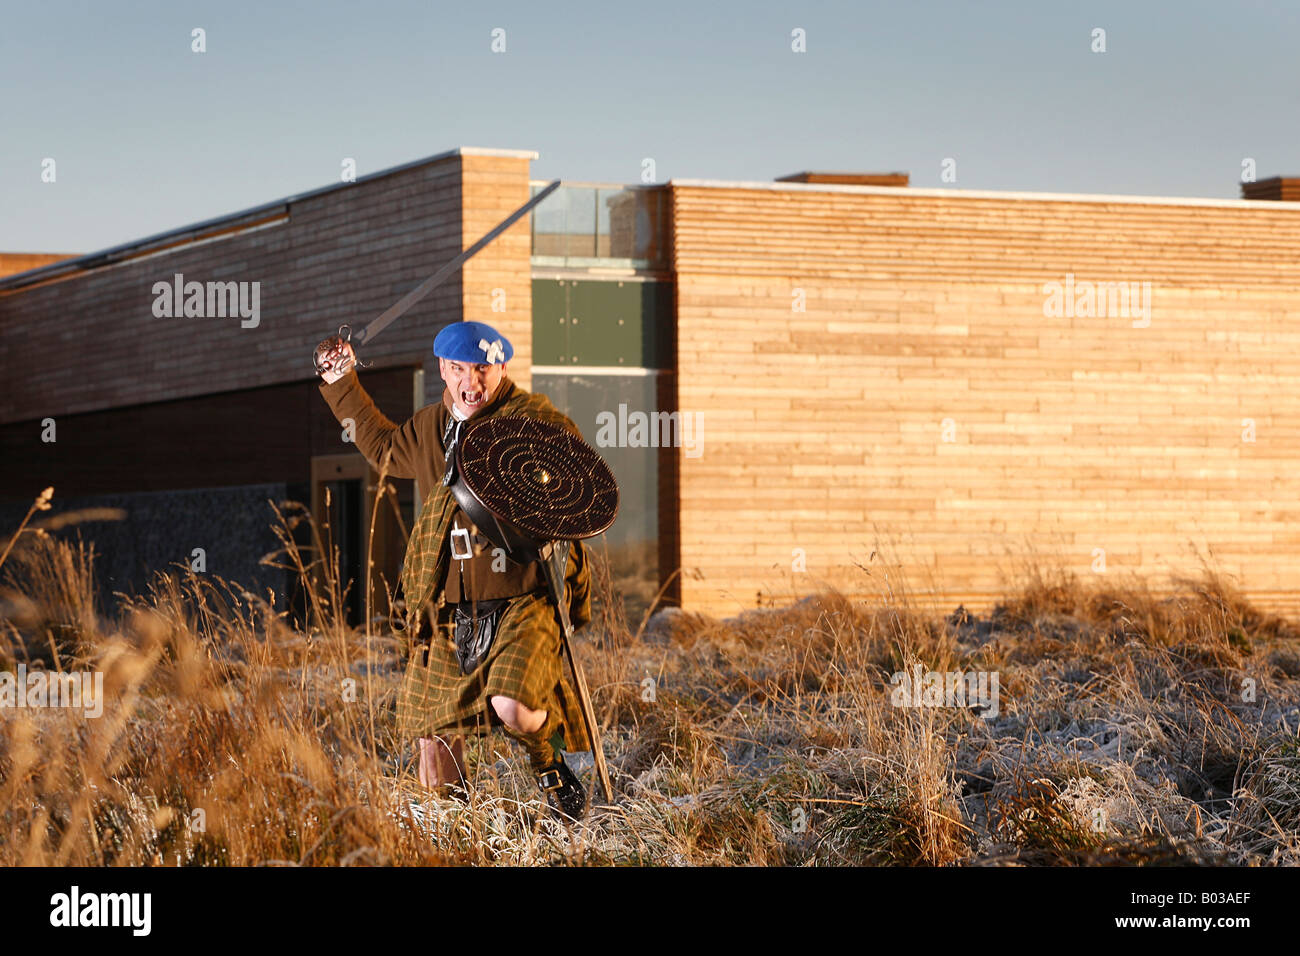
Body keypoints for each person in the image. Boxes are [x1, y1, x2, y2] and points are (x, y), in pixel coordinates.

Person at [315, 320, 592, 818]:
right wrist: (341, 381)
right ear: (443, 369)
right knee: (434, 734)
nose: (472, 381)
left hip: (521, 597)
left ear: (501, 368)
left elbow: (577, 486)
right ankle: (451, 832)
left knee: (517, 709)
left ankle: (549, 767)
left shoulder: (534, 419)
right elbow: (379, 446)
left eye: (483, 368)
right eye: (460, 368)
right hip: (446, 606)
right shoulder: (429, 429)